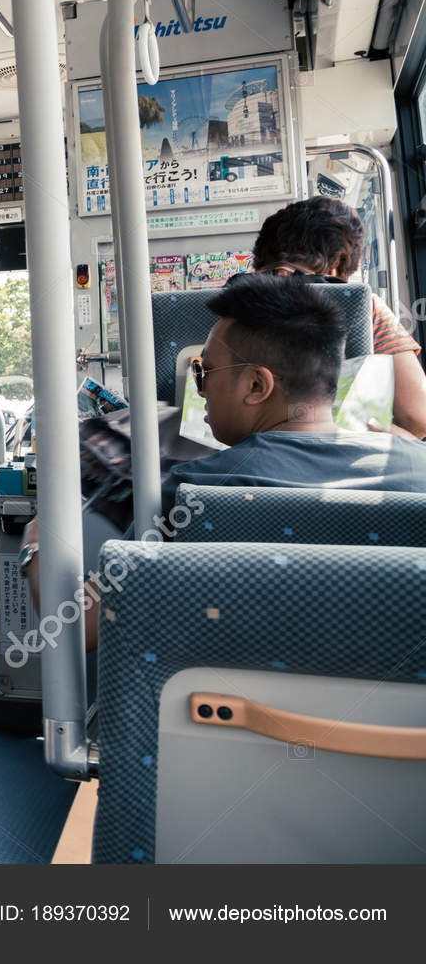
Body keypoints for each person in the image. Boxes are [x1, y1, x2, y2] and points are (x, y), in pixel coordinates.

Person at [25, 274, 426, 648]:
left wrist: (38, 542)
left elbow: (77, 626)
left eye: (205, 372)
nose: (202, 389)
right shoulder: (414, 468)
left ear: (256, 385)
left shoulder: (195, 494)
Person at [251, 195, 426, 437]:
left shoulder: (228, 303)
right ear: (336, 267)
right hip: (341, 463)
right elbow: (416, 416)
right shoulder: (364, 307)